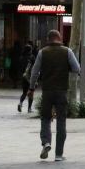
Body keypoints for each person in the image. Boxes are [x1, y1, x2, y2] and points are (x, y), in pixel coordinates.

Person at [29, 30, 80, 161]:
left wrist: (31, 87)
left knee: (45, 118)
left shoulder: (42, 52)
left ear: (48, 39)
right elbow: (76, 68)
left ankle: (46, 142)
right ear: (59, 38)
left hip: (47, 91)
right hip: (62, 90)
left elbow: (34, 72)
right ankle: (58, 154)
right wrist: (65, 68)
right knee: (61, 121)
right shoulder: (67, 51)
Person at [18, 42, 35, 113]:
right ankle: (29, 108)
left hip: (24, 76)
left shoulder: (21, 57)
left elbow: (19, 67)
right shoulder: (32, 57)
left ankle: (20, 103)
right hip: (31, 77)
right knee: (31, 92)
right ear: (30, 50)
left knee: (24, 92)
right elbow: (35, 67)